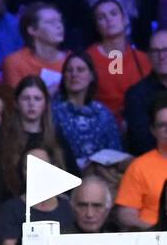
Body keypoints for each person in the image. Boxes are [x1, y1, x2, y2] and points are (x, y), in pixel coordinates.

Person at [51, 52, 122, 171]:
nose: (74, 74)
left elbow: (116, 153)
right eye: (69, 70)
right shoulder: (52, 112)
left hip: (102, 176)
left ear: (92, 76)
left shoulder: (103, 113)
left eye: (80, 70)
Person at [116, 96, 167, 229]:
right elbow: (125, 213)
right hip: (153, 241)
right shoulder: (139, 166)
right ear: (153, 130)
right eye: (162, 125)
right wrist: (153, 231)